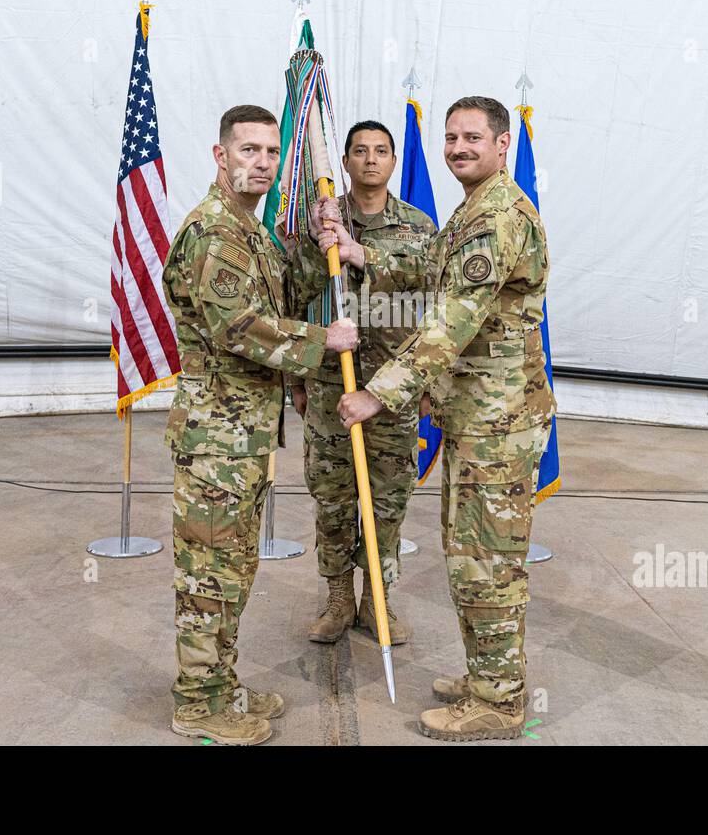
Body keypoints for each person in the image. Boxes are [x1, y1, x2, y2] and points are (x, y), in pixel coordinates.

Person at [329, 95, 554, 741]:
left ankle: (501, 700)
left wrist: (382, 391)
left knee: (487, 560)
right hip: (475, 414)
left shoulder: (498, 217)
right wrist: (360, 253)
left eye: (472, 138)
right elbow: (428, 272)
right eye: (451, 137)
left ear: (502, 144)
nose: (457, 147)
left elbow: (451, 319)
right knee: (470, 555)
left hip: (499, 421)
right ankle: (489, 676)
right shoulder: (471, 210)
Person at [162, 104, 358, 745]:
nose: (263, 163)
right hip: (216, 439)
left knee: (234, 566)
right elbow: (238, 325)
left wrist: (319, 241)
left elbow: (280, 289)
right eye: (248, 151)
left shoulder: (251, 231)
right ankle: (197, 702)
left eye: (271, 153)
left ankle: (220, 685)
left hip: (242, 435)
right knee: (210, 572)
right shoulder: (215, 233)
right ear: (222, 157)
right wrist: (321, 340)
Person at [290, 121, 437, 646]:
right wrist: (298, 378)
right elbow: (297, 294)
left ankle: (378, 599)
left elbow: (434, 300)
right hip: (332, 385)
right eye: (359, 151)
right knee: (332, 498)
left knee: (387, 501)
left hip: (392, 389)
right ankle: (336, 598)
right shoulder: (322, 224)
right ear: (346, 162)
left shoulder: (418, 227)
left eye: (380, 151)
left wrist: (425, 386)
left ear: (394, 162)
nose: (370, 160)